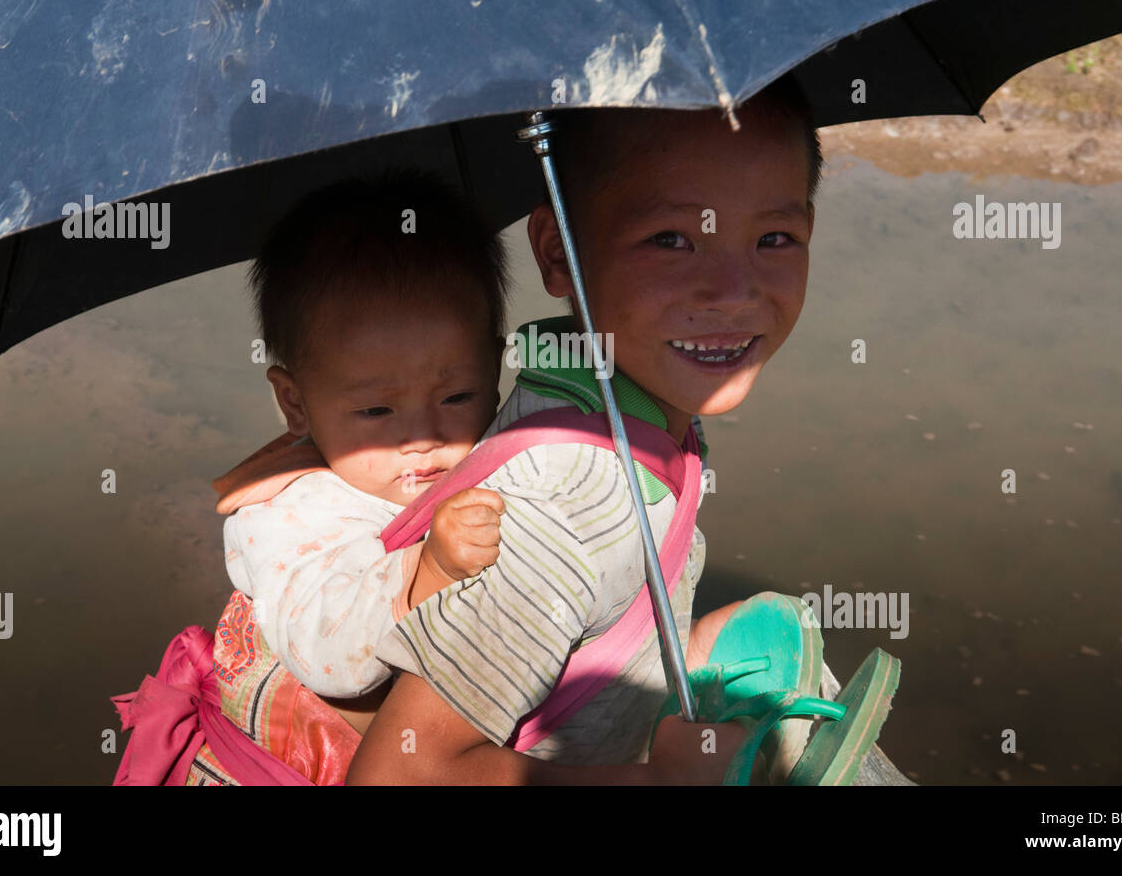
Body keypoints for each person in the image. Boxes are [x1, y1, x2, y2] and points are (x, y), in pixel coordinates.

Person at [347, 76, 855, 784]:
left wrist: (694, 643)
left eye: (775, 237)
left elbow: (588, 631)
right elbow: (400, 774)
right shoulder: (574, 494)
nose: (734, 292)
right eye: (672, 240)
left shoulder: (603, 388)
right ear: (558, 254)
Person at [176, 170, 514, 785]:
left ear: (496, 366)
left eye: (459, 395)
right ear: (295, 402)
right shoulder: (289, 516)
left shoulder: (496, 457)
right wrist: (428, 570)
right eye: (376, 412)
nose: (423, 438)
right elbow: (330, 657)